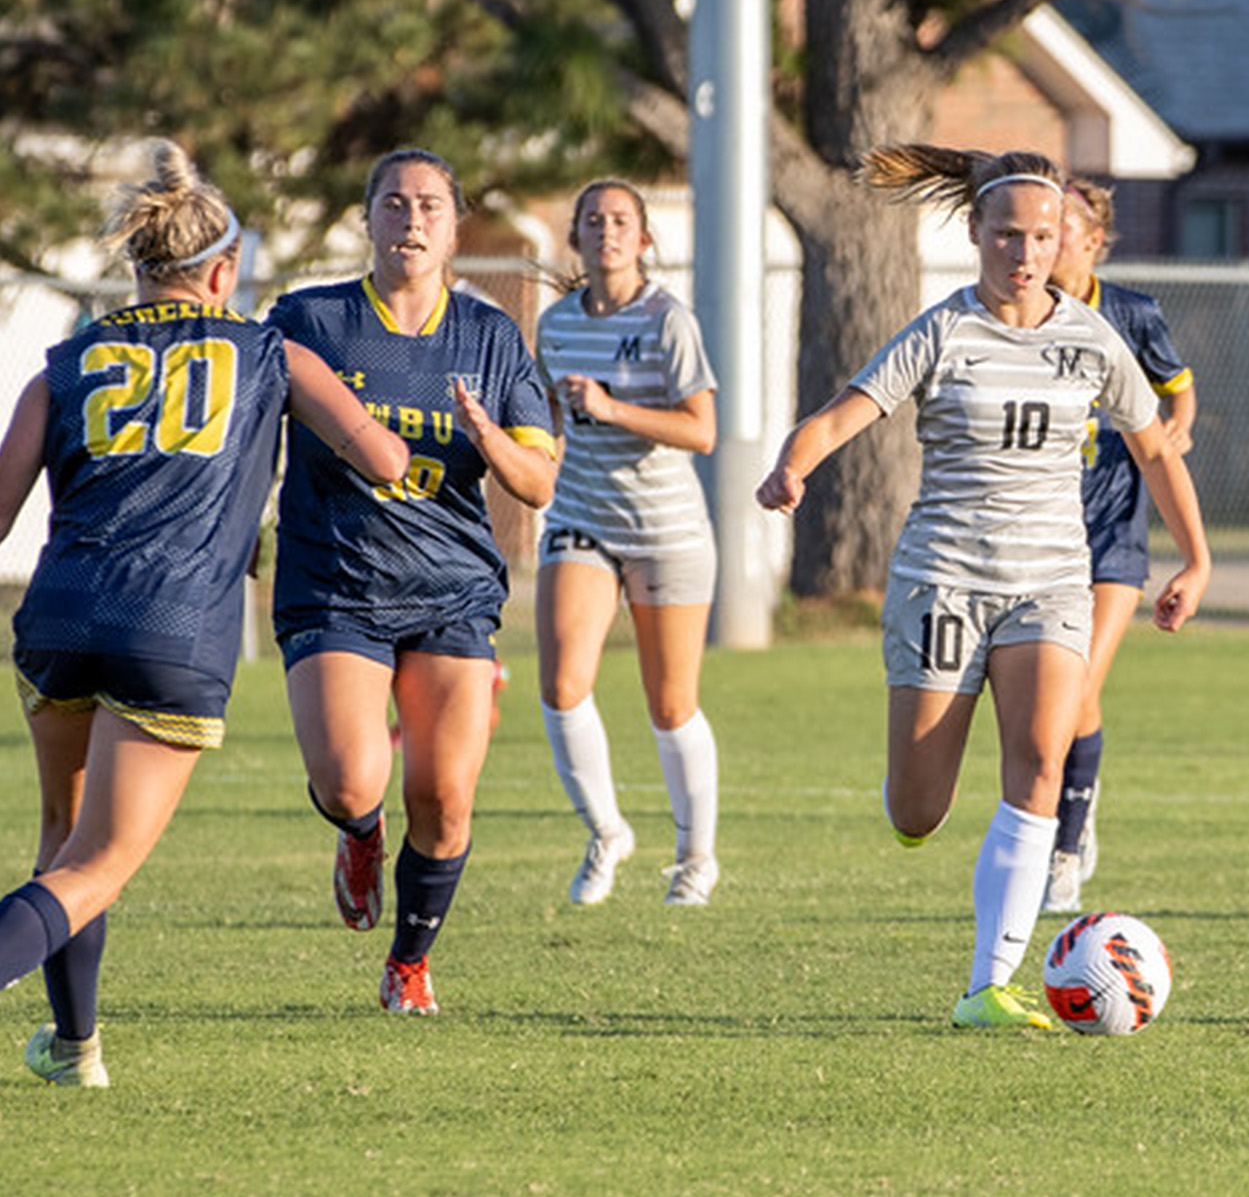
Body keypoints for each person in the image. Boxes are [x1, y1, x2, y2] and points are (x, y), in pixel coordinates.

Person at [756, 143, 1211, 1029]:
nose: (1026, 253)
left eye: (1043, 237)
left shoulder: (1092, 338)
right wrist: (794, 462)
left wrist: (1197, 557)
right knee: (920, 810)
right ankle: (912, 806)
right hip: (945, 581)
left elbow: (1155, 446)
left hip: (1050, 580)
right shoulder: (944, 328)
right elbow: (851, 408)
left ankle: (987, 989)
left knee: (1041, 763)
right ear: (975, 233)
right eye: (1009, 235)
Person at [0, 142, 408, 1085]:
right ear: (224, 271)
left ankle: (75, 1048)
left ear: (138, 266)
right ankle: (68, 1040)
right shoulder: (267, 349)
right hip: (171, 627)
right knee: (95, 865)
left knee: (63, 840)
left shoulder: (67, 362)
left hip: (59, 618)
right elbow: (383, 461)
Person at [269, 147, 557, 1014]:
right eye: (394, 203)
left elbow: (538, 482)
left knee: (444, 797)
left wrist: (488, 433)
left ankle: (408, 964)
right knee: (355, 782)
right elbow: (245, 433)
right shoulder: (308, 320)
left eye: (430, 204)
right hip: (334, 582)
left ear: (456, 226)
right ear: (368, 219)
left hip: (452, 588)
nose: (413, 219)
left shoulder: (490, 336)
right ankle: (359, 835)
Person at [535, 179, 722, 907]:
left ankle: (695, 857)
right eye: (592, 220)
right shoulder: (555, 324)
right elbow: (548, 422)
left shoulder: (668, 320)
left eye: (620, 221)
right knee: (559, 685)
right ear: (575, 237)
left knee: (671, 703)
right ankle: (608, 830)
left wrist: (613, 408)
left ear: (644, 239)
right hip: (582, 515)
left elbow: (701, 430)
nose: (606, 232)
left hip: (667, 531)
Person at [1039, 177, 1195, 914]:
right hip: (1038, 533)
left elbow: (1178, 386)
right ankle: (1080, 792)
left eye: (1059, 225)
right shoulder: (1025, 314)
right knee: (1054, 698)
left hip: (1114, 535)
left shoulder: (1132, 312)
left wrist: (1177, 426)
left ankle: (1065, 850)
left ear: (1093, 239)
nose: (1045, 238)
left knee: (1076, 689)